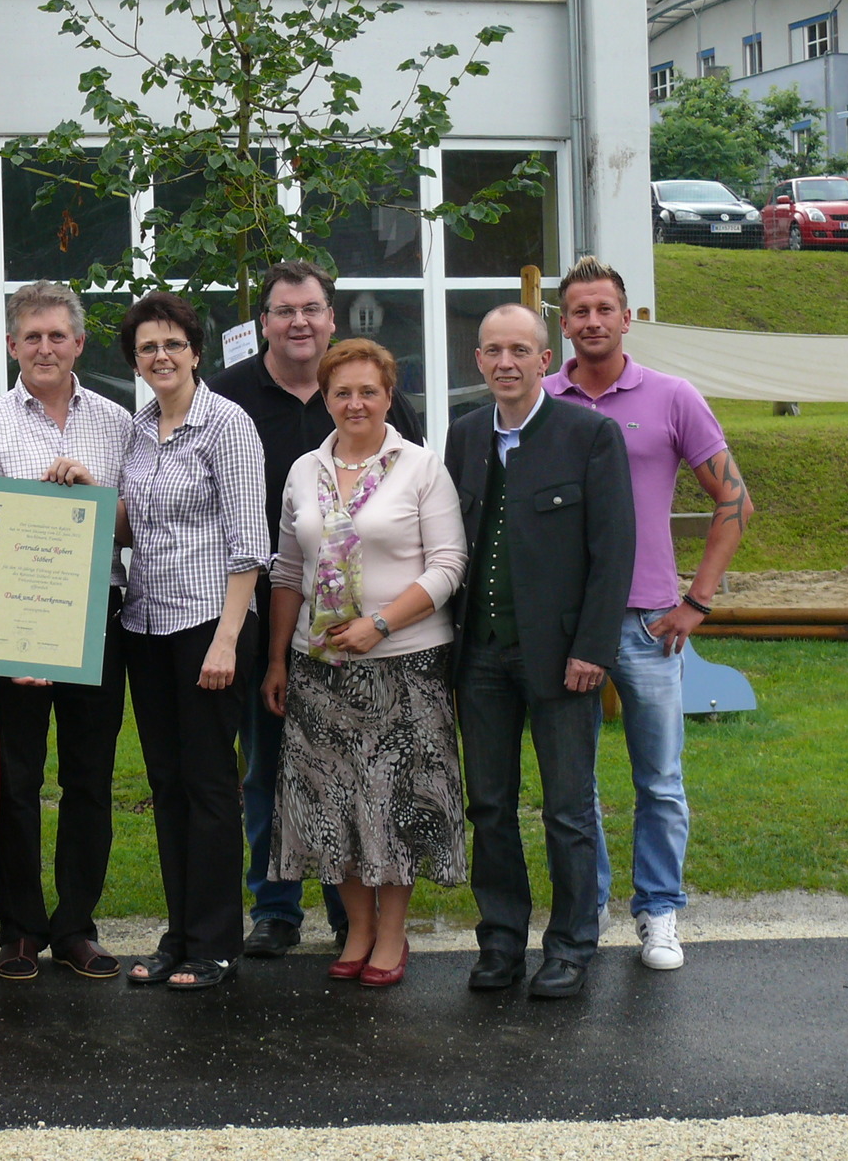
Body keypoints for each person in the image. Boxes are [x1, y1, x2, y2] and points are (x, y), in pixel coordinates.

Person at [207, 258, 425, 958]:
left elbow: (417, 500)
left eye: (311, 309)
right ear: (262, 322)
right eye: (283, 310)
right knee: (267, 763)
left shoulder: (371, 397)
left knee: (355, 764)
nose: (298, 322)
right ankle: (275, 904)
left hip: (365, 627)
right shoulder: (228, 398)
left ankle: (348, 910)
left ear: (332, 318)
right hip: (259, 611)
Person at [548, 257, 754, 973]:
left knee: (658, 779)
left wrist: (698, 599)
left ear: (627, 318)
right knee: (571, 783)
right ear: (563, 323)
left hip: (649, 618)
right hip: (566, 622)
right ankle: (588, 906)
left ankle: (659, 910)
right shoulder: (544, 400)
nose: (592, 322)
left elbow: (734, 502)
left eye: (605, 309)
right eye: (579, 311)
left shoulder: (672, 397)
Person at [261, 338, 467, 989]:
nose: (355, 403)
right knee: (333, 803)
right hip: (318, 669)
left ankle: (392, 933)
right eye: (342, 392)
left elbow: (448, 566)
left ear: (388, 397)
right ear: (325, 398)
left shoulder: (419, 467)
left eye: (368, 392)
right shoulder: (304, 471)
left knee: (397, 805)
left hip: (404, 666)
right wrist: (277, 662)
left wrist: (380, 623)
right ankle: (355, 928)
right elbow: (289, 570)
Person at [445, 302, 634, 1000]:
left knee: (567, 808)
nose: (505, 362)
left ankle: (572, 944)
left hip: (561, 657)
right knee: (489, 805)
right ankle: (500, 942)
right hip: (482, 657)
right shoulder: (464, 436)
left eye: (519, 350)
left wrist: (593, 648)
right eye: (493, 350)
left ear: (544, 360)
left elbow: (613, 554)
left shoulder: (589, 435)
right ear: (479, 360)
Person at [0, 281, 134, 982]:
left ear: (79, 344)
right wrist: (11, 644)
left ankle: (76, 927)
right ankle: (20, 928)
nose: (44, 348)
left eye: (58, 335)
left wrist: (96, 494)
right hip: (17, 630)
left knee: (90, 781)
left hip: (98, 622)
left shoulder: (120, 424)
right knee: (16, 782)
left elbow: (134, 529)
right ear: (11, 345)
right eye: (31, 336)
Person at [114, 292, 269, 991]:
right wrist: (79, 492)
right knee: (168, 784)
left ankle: (215, 944)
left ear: (196, 351)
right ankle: (179, 935)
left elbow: (250, 545)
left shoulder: (227, 425)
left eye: (172, 343)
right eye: (148, 347)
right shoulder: (138, 429)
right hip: (147, 625)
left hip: (211, 624)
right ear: (135, 360)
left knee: (209, 788)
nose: (161, 356)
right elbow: (131, 527)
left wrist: (228, 640)